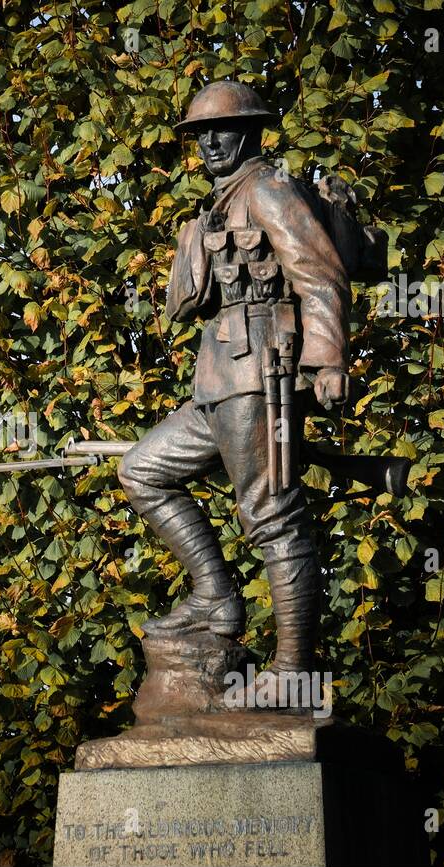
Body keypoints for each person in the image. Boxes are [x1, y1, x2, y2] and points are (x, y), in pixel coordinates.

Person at [117, 80, 351, 693]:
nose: (210, 143)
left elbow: (318, 274)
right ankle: (217, 599)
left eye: (221, 130)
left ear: (249, 132)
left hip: (260, 372)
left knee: (271, 513)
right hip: (216, 380)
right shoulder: (217, 204)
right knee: (142, 470)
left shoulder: (269, 188)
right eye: (200, 134)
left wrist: (327, 361)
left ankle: (294, 672)